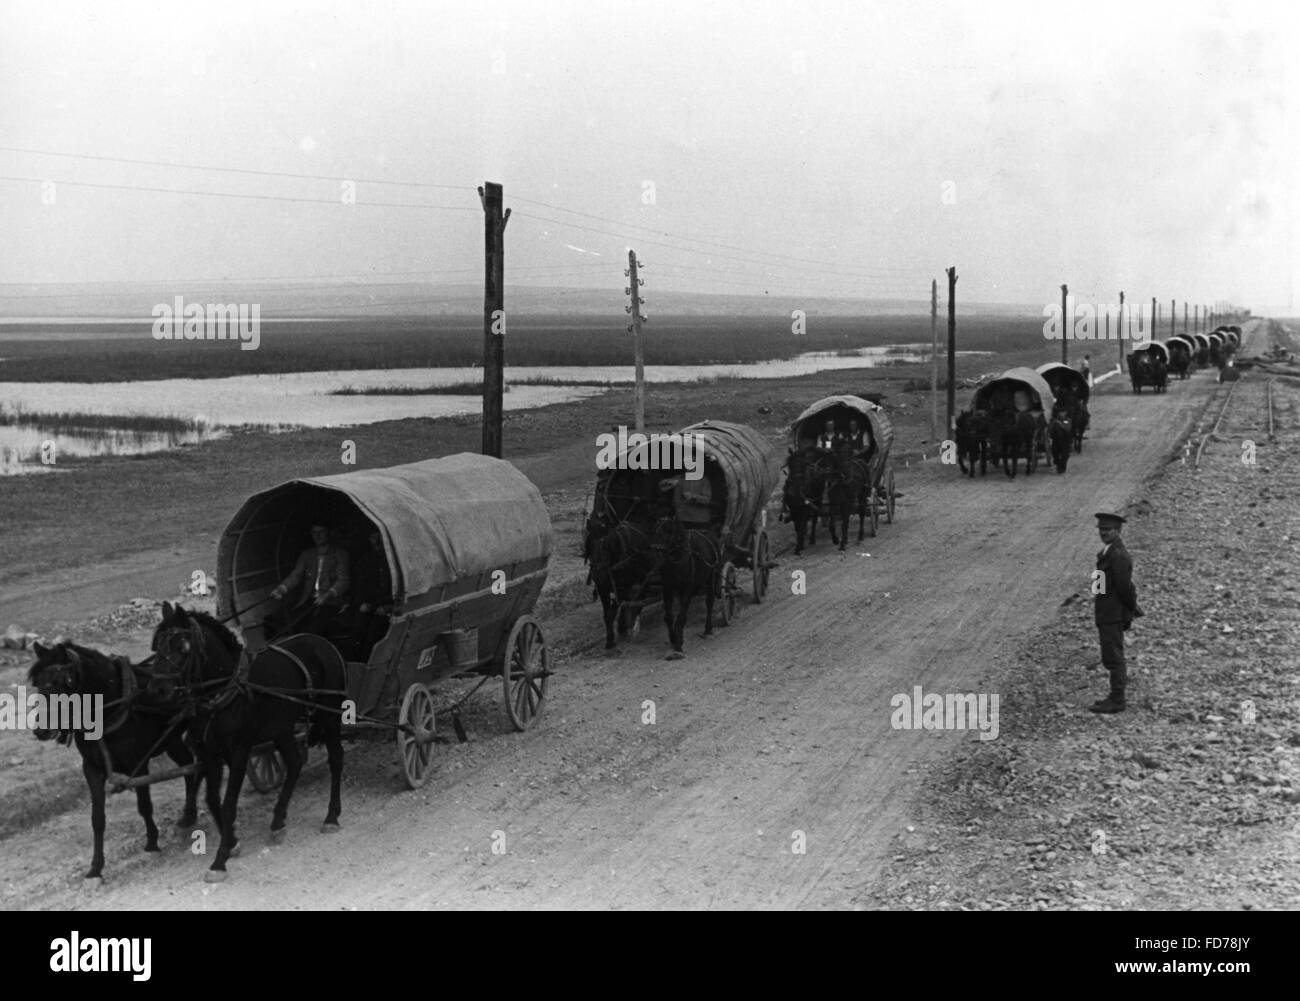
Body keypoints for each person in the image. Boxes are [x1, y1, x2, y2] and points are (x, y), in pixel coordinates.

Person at [1090, 512, 1144, 714]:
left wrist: (1131, 608)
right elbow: (1100, 584)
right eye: (1101, 530)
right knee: (1110, 654)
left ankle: (1118, 699)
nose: (1104, 533)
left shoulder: (1118, 555)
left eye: (1108, 530)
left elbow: (1125, 588)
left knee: (1114, 657)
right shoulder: (1108, 552)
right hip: (1106, 611)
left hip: (1112, 612)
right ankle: (1114, 696)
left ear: (1118, 531)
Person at [270, 519, 350, 640]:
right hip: (309, 600)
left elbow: (343, 581)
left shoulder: (340, 554)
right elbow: (295, 576)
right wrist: (281, 589)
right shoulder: (307, 554)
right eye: (314, 532)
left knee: (312, 629)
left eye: (321, 532)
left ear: (328, 533)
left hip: (331, 603)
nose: (317, 536)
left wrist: (327, 595)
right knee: (282, 621)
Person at [348, 529, 394, 661]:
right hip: (368, 605)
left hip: (387, 606)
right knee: (357, 630)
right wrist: (361, 603)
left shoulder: (393, 560)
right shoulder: (366, 560)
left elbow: (399, 589)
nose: (377, 541)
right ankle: (354, 665)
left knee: (374, 635)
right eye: (374, 537)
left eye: (380, 537)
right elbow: (358, 585)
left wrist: (387, 607)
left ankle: (368, 667)